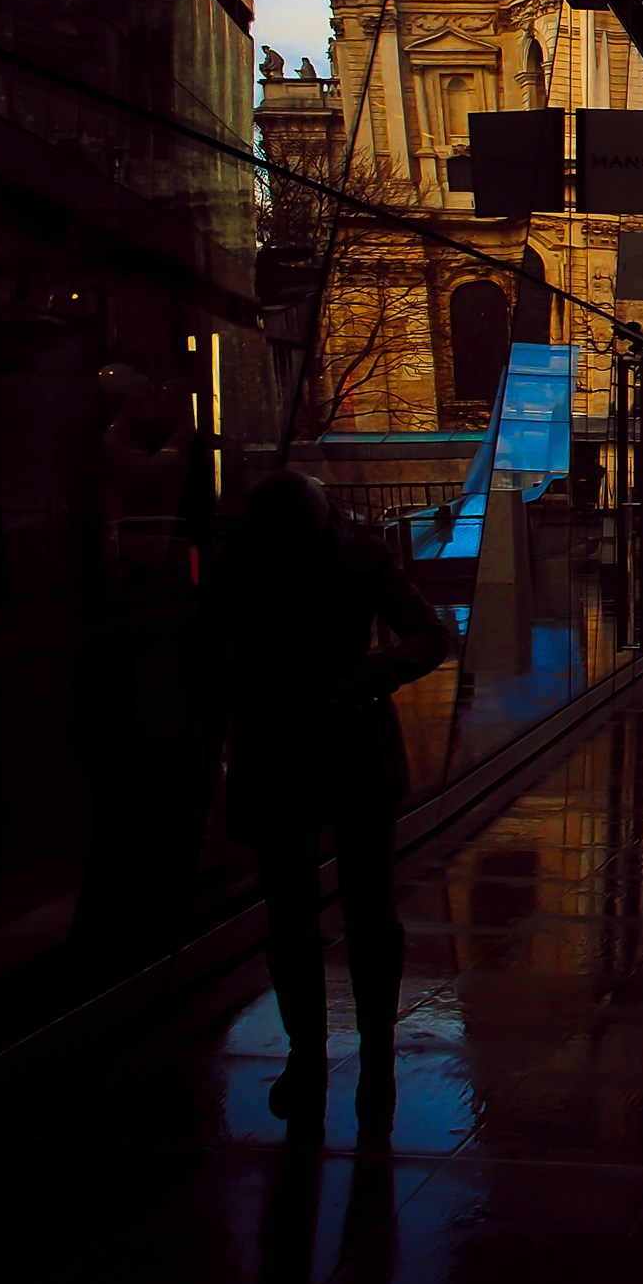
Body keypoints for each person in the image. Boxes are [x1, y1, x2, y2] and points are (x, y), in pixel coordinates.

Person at [202, 471, 450, 1134]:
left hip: (283, 740)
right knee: (362, 910)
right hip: (347, 743)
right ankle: (369, 1066)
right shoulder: (358, 552)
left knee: (295, 912)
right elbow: (428, 635)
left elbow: (207, 651)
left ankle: (315, 1061)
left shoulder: (251, 556)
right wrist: (357, 684)